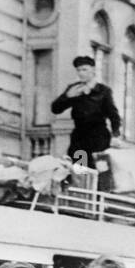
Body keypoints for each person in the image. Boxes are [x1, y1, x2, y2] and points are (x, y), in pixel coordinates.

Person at [49, 56, 121, 186]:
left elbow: (113, 115)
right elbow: (56, 109)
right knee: (79, 171)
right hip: (80, 138)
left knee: (100, 170)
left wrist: (115, 134)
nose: (81, 73)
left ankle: (100, 203)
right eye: (79, 70)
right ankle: (81, 199)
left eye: (84, 69)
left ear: (93, 70)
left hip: (99, 138)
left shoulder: (103, 91)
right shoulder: (74, 89)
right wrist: (67, 97)